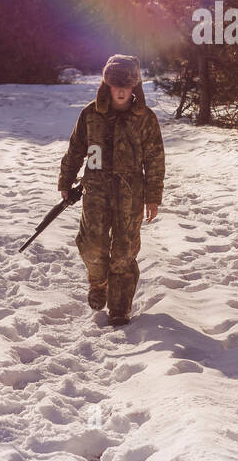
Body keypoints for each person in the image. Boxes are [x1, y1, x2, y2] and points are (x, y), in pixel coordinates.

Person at [57, 54, 164, 327]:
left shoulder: (145, 119)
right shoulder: (91, 115)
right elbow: (75, 150)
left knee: (124, 253)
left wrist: (153, 197)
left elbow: (155, 159)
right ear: (106, 84)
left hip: (131, 193)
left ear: (134, 87)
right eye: (115, 85)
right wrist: (66, 181)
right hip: (95, 191)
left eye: (126, 86)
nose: (120, 91)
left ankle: (119, 307)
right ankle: (98, 281)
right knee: (93, 246)